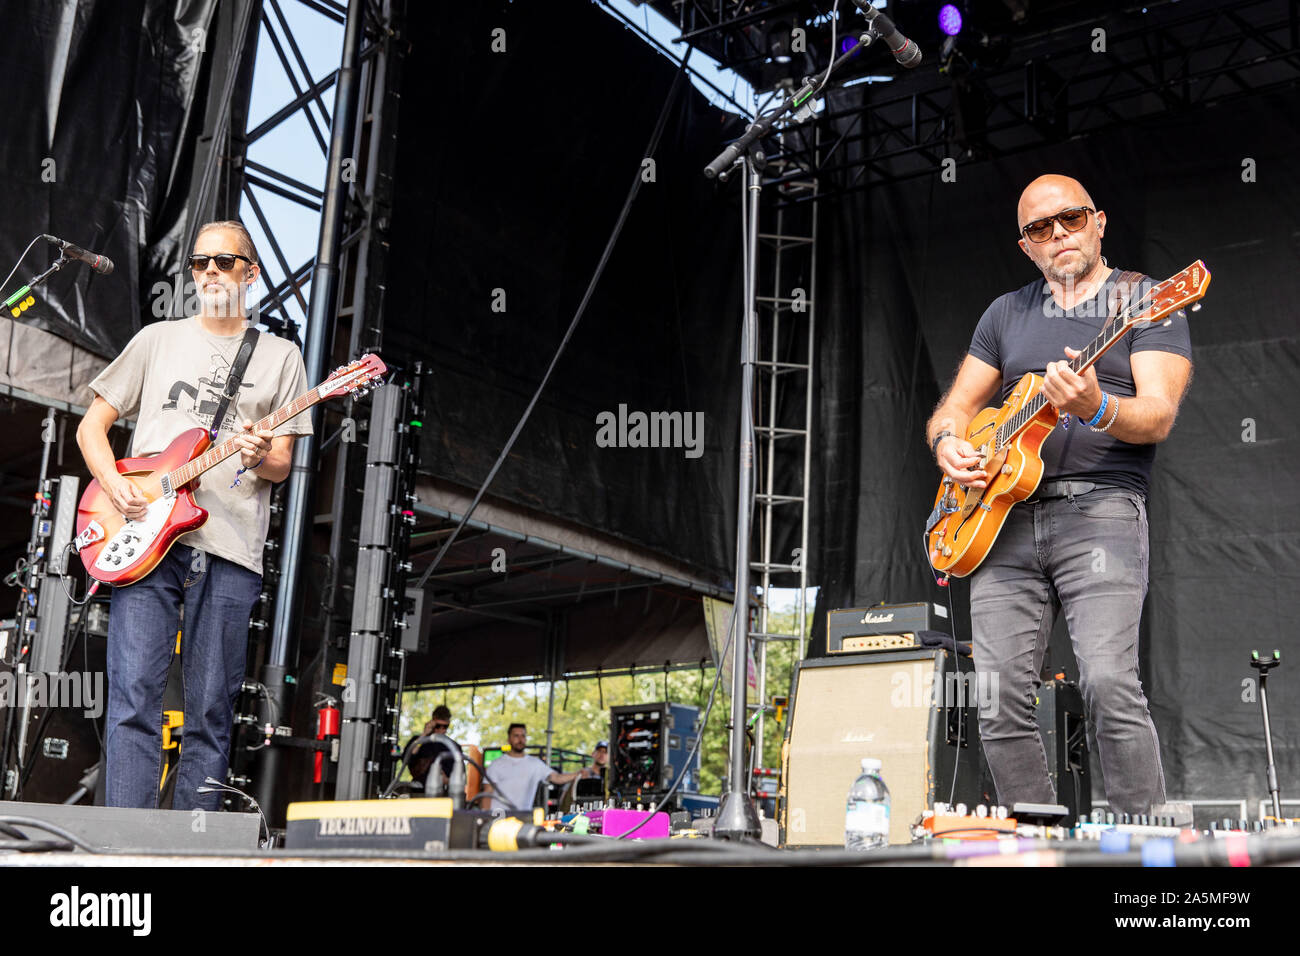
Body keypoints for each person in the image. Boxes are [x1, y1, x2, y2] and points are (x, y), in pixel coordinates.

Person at [925, 175, 1192, 817]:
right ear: (1027, 247)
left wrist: (1097, 406)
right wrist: (947, 447)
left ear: (1098, 222)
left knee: (1106, 680)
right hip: (999, 523)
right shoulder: (1005, 313)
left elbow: (1156, 415)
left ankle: (1143, 848)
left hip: (1100, 512)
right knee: (996, 697)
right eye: (1039, 229)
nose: (1057, 236)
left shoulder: (1147, 299)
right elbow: (954, 411)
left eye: (1068, 220)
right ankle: (1035, 839)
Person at [77, 220, 311, 811]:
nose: (209, 271)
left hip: (231, 546)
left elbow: (281, 463)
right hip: (144, 538)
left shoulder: (282, 356)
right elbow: (92, 427)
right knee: (134, 698)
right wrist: (115, 486)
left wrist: (261, 454)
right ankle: (125, 845)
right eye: (200, 261)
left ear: (251, 274)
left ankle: (192, 847)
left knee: (211, 707)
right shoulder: (158, 339)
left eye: (224, 261)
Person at [482, 723, 591, 812]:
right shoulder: (496, 764)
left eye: (523, 736)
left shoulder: (535, 764)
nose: (520, 739)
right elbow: (487, 794)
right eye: (516, 736)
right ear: (509, 739)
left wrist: (577, 774)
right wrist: (485, 819)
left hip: (522, 818)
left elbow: (557, 778)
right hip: (498, 818)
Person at [402, 704, 462, 789]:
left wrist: (447, 781)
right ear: (432, 722)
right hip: (419, 790)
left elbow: (460, 775)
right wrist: (424, 734)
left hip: (442, 793)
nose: (441, 730)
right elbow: (407, 758)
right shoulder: (419, 741)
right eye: (438, 726)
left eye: (444, 727)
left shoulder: (454, 747)